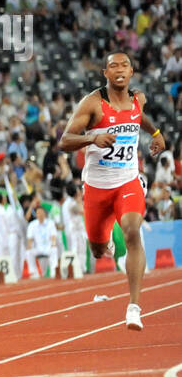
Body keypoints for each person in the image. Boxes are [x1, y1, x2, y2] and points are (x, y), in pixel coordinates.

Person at [58, 51, 168, 329]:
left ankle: (134, 306)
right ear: (105, 73)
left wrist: (156, 134)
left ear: (132, 72)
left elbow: (139, 118)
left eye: (125, 65)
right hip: (97, 188)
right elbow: (64, 140)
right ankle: (104, 244)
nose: (119, 69)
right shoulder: (93, 103)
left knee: (132, 230)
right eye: (113, 66)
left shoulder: (138, 99)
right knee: (96, 249)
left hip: (127, 181)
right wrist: (92, 137)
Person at [26, 204, 60, 278]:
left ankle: (53, 270)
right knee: (28, 252)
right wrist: (29, 247)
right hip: (38, 248)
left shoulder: (50, 223)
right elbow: (29, 239)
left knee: (54, 249)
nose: (40, 214)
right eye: (38, 213)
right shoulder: (32, 225)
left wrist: (53, 244)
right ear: (36, 214)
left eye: (41, 212)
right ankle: (33, 272)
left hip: (48, 247)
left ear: (44, 213)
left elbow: (53, 236)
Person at [60, 181, 86, 276]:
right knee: (76, 250)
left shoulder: (68, 202)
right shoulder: (70, 203)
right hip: (74, 230)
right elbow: (82, 210)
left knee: (79, 249)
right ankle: (77, 269)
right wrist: (80, 199)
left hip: (75, 229)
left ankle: (80, 269)